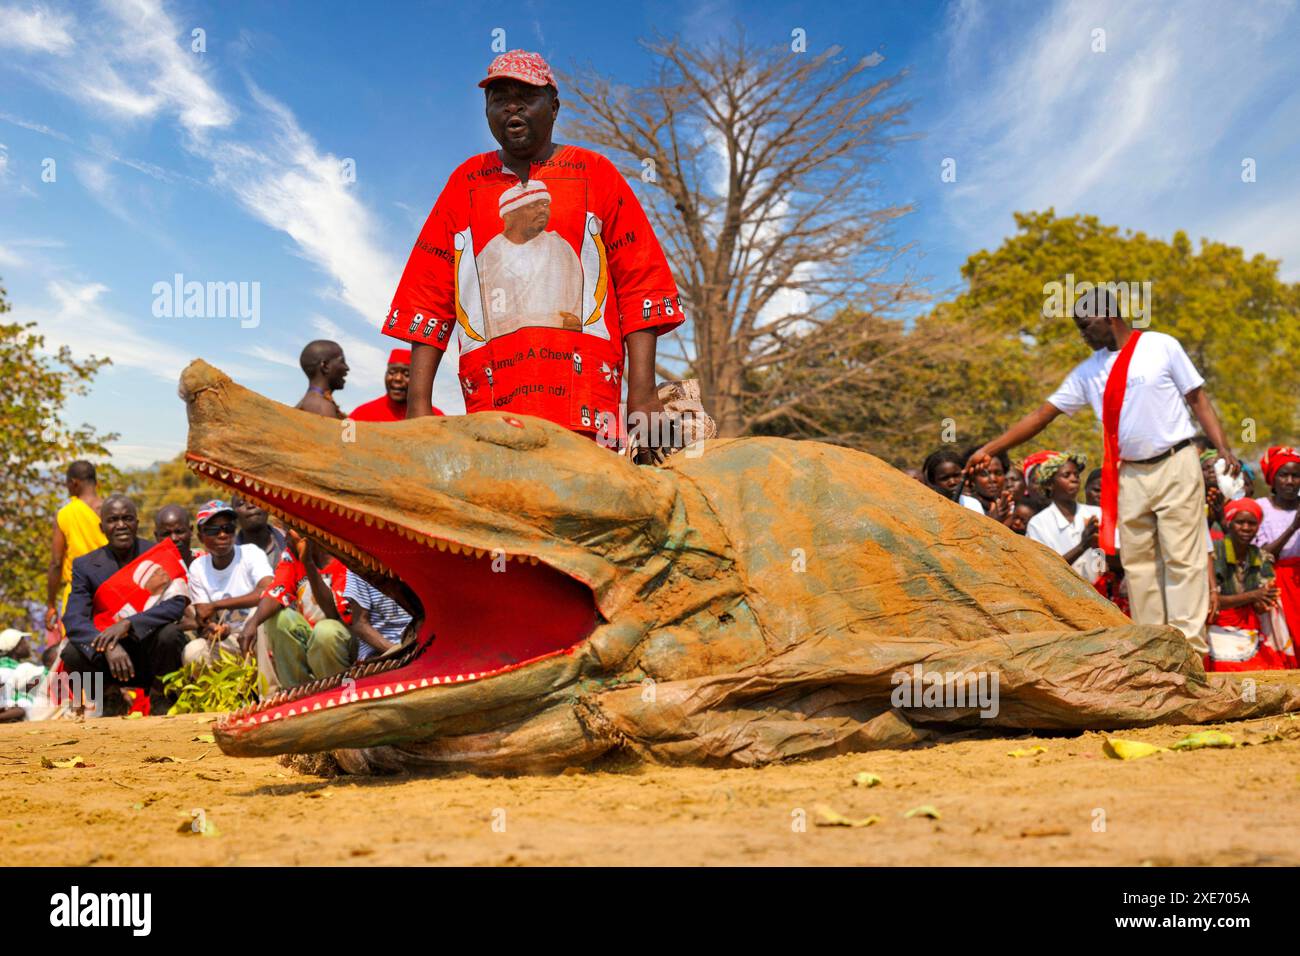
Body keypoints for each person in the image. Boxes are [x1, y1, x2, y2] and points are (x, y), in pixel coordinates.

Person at [384, 50, 685, 459]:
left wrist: (644, 396)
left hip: (585, 403)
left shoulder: (596, 174)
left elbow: (640, 285)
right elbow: (430, 296)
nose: (511, 106)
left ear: (554, 106)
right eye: (498, 97)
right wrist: (418, 407)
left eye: (526, 95)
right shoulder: (465, 183)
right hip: (492, 408)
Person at [967, 290, 1239, 654]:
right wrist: (989, 449)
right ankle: (1155, 648)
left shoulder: (1161, 346)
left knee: (1183, 555)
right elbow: (1040, 416)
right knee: (1138, 560)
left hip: (1175, 462)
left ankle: (1189, 647)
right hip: (1129, 473)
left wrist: (1222, 446)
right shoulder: (1088, 372)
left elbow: (1197, 398)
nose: (1083, 336)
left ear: (1109, 317)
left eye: (1085, 327)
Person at [59, 495, 188, 713]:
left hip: (149, 652)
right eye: (113, 520)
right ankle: (110, 697)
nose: (121, 525)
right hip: (109, 658)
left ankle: (161, 697)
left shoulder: (156, 554)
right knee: (72, 652)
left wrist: (128, 623)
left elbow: (176, 603)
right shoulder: (85, 565)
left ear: (137, 523)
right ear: (102, 527)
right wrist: (107, 645)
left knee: (170, 634)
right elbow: (73, 618)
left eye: (127, 518)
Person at [182, 500, 278, 689]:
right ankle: (214, 704)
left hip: (259, 637)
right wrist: (212, 628)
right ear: (201, 537)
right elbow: (203, 613)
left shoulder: (251, 553)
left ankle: (269, 695)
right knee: (192, 652)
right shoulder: (198, 568)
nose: (223, 535)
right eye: (213, 531)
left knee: (256, 617)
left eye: (228, 528)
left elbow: (267, 590)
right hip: (227, 642)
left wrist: (217, 605)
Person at [238, 532, 353, 687]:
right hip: (311, 635)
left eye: (291, 530)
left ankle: (336, 691)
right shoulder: (292, 555)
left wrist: (308, 564)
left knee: (325, 632)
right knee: (278, 619)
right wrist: (252, 623)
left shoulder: (343, 554)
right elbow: (277, 590)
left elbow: (333, 612)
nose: (285, 538)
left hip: (344, 637)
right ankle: (299, 691)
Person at [1205, 498, 1296, 671]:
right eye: (1240, 522)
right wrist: (1253, 595)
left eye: (1252, 523)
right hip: (1215, 624)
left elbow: (1264, 602)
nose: (1246, 528)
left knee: (1268, 669)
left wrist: (1261, 601)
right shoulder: (1213, 554)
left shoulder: (1262, 557)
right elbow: (1212, 600)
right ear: (1229, 523)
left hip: (1250, 626)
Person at [45, 460, 107, 632]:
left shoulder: (65, 514)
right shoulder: (111, 510)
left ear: (74, 483)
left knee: (75, 648)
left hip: (78, 595)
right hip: (111, 590)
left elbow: (56, 563)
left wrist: (51, 604)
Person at [1025, 453, 1106, 583]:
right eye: (1066, 475)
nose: (1074, 479)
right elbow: (1044, 571)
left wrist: (1100, 548)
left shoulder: (1096, 513)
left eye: (1076, 475)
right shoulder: (1038, 523)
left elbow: (1106, 561)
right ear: (1050, 484)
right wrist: (1082, 546)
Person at [1254, 445, 1300, 644]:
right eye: (1284, 475)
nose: (1290, 481)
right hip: (1275, 582)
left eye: (1296, 476)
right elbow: (1264, 554)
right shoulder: (1260, 508)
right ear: (1273, 478)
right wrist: (1293, 527)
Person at [350, 348, 442, 422]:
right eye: (392, 372)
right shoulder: (361, 415)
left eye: (407, 374)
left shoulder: (435, 418)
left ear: (417, 379)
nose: (398, 378)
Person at [344, 574, 413, 660]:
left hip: (418, 642)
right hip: (380, 651)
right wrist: (398, 652)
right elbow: (360, 624)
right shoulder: (358, 568)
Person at [295, 339, 349, 418]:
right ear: (325, 366)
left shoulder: (307, 402)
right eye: (342, 361)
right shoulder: (322, 409)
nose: (347, 368)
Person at [0, 629, 45, 723]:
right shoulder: (16, 670)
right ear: (16, 648)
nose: (28, 645)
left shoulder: (5, 666)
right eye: (24, 642)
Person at [232, 494, 287, 571]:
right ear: (234, 514)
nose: (250, 505)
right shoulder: (228, 558)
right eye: (241, 503)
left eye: (255, 499)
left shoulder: (291, 544)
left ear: (268, 506)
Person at [921, 449, 984, 513]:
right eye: (945, 478)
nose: (952, 482)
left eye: (956, 475)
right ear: (933, 481)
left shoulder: (973, 505)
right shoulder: (927, 509)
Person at [961, 445, 1014, 522]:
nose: (993, 479)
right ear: (972, 479)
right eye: (984, 474)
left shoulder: (1012, 507)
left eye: (998, 473)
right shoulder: (964, 506)